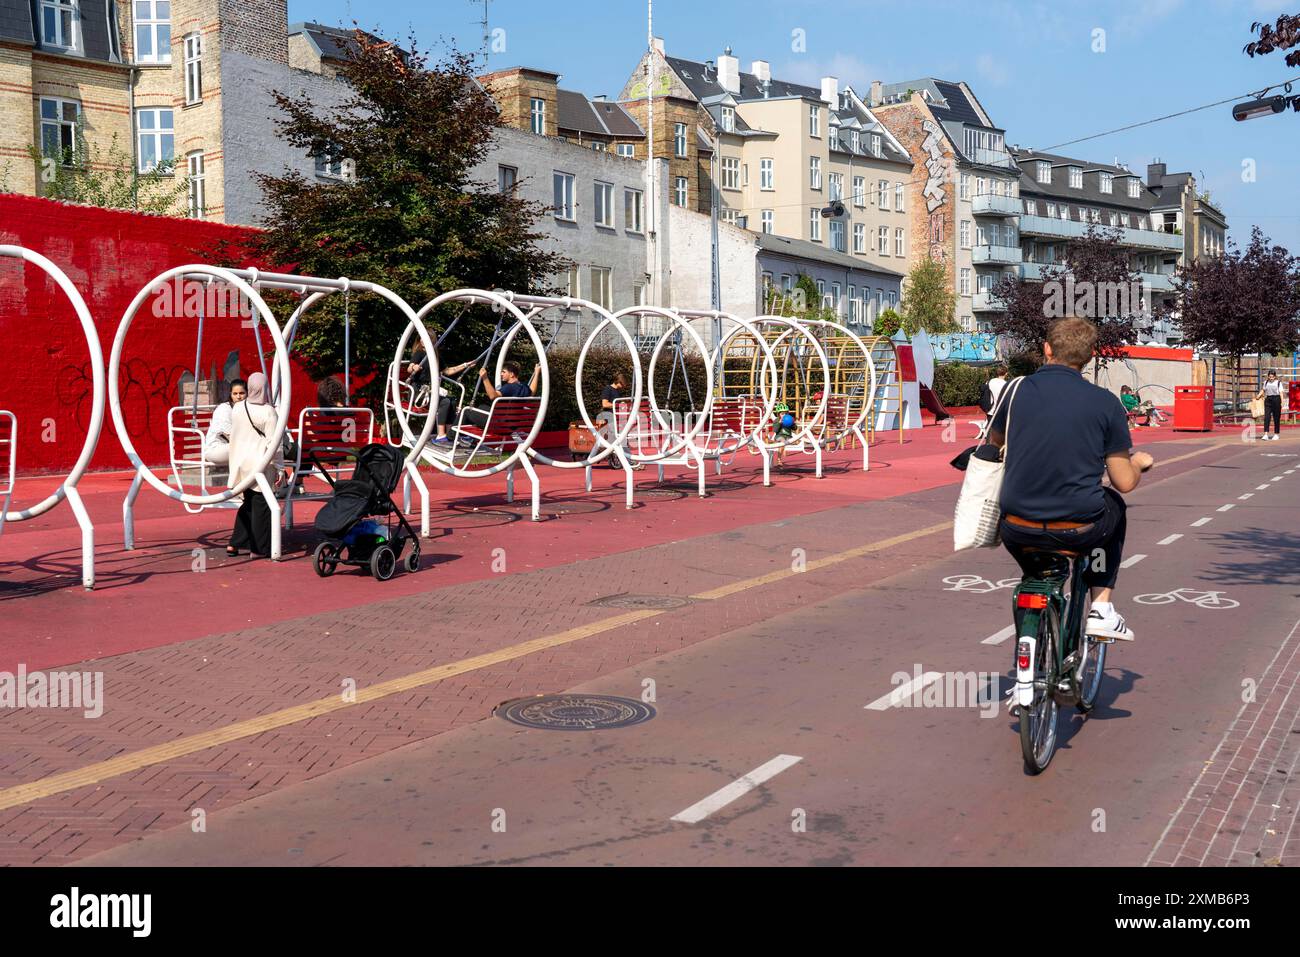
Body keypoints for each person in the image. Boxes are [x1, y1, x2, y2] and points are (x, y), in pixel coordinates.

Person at [987, 318, 1155, 642]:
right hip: (1077, 528)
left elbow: (994, 444)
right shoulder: (1106, 403)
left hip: (1016, 525)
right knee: (1114, 508)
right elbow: (1124, 481)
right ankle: (1102, 607)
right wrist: (1137, 463)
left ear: (1047, 348)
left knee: (1033, 571)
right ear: (1090, 355)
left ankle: (1029, 654)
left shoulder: (1015, 390)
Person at [226, 372, 283, 557]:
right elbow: (274, 444)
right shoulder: (268, 411)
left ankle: (235, 542)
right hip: (260, 464)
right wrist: (280, 468)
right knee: (262, 505)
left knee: (249, 502)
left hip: (240, 463)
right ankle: (258, 548)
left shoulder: (238, 408)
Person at [203, 378, 246, 467]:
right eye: (235, 394)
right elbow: (231, 437)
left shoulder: (246, 410)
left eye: (242, 393)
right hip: (216, 449)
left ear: (247, 394)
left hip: (235, 446)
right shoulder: (224, 409)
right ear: (230, 395)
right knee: (247, 449)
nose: (238, 397)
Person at [1257, 371, 1284, 441]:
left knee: (1276, 418)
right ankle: (1266, 434)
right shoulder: (1266, 382)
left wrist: (1282, 401)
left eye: (1272, 377)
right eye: (1270, 377)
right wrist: (1258, 395)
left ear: (1275, 377)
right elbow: (1263, 390)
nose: (1271, 378)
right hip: (1268, 399)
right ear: (1268, 376)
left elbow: (1281, 392)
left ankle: (1276, 434)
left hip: (1276, 399)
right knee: (1267, 417)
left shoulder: (1278, 383)